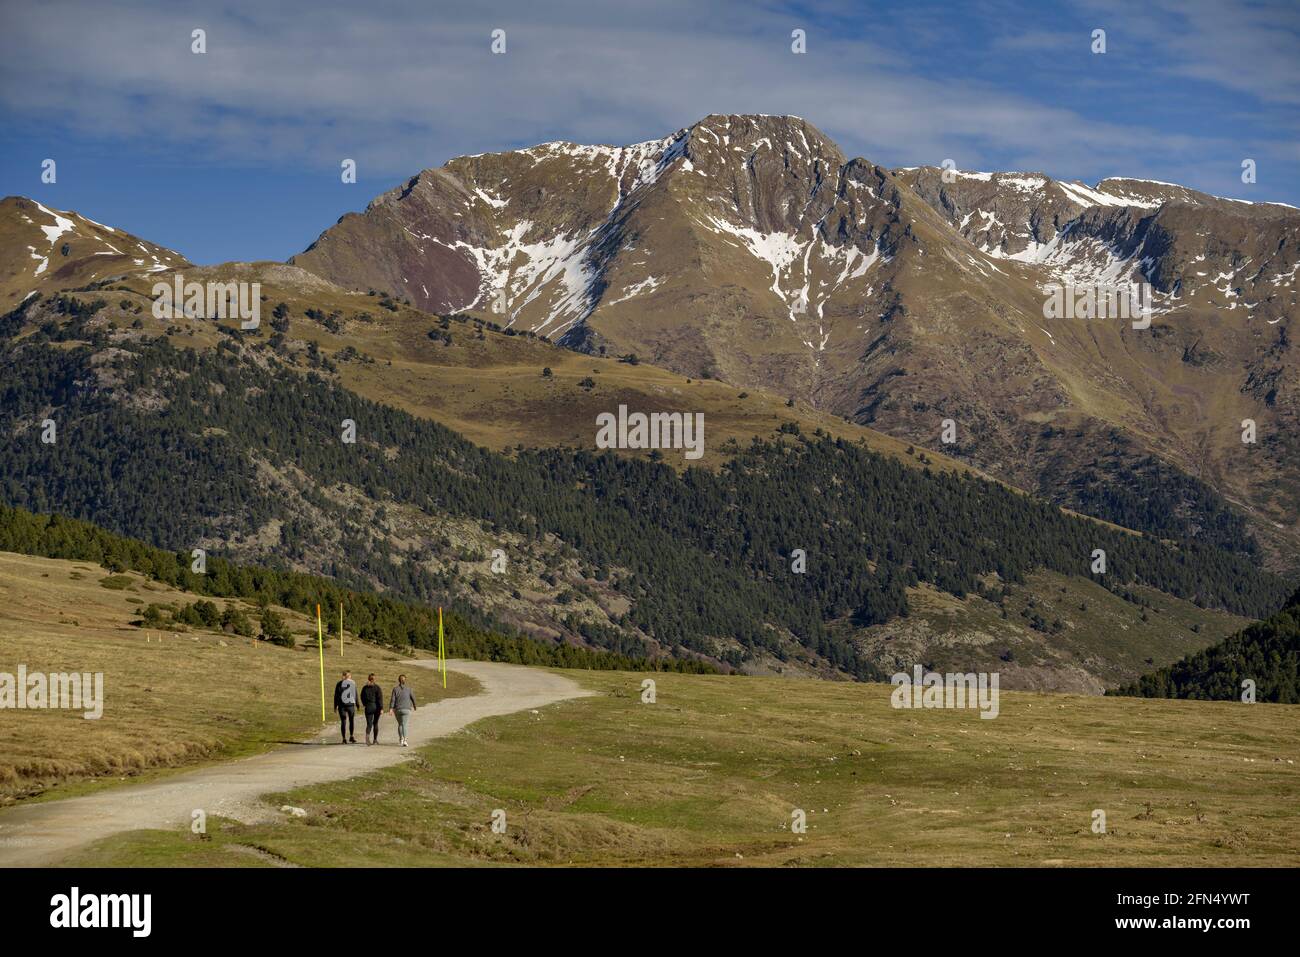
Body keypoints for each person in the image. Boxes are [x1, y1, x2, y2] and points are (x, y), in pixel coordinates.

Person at [389, 673, 417, 747]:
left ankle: (400, 739)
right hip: (406, 709)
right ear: (405, 681)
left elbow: (393, 700)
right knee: (404, 724)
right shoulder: (409, 689)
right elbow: (413, 698)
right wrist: (414, 705)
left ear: (399, 681)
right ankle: (405, 740)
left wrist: (391, 708)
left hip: (397, 709)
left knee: (400, 724)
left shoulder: (395, 689)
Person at [333, 670, 358, 744]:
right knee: (349, 721)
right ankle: (349, 736)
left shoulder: (339, 684)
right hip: (348, 705)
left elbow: (336, 696)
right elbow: (355, 694)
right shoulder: (351, 684)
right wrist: (357, 704)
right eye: (349, 676)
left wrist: (335, 706)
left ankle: (346, 737)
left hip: (343, 705)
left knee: (345, 722)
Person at [360, 673, 385, 745]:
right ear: (374, 679)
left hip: (368, 707)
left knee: (369, 724)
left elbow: (362, 696)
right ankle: (375, 739)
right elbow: (380, 698)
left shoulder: (364, 688)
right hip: (376, 707)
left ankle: (367, 738)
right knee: (375, 723)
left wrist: (365, 704)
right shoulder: (377, 687)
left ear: (368, 679)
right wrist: (381, 708)